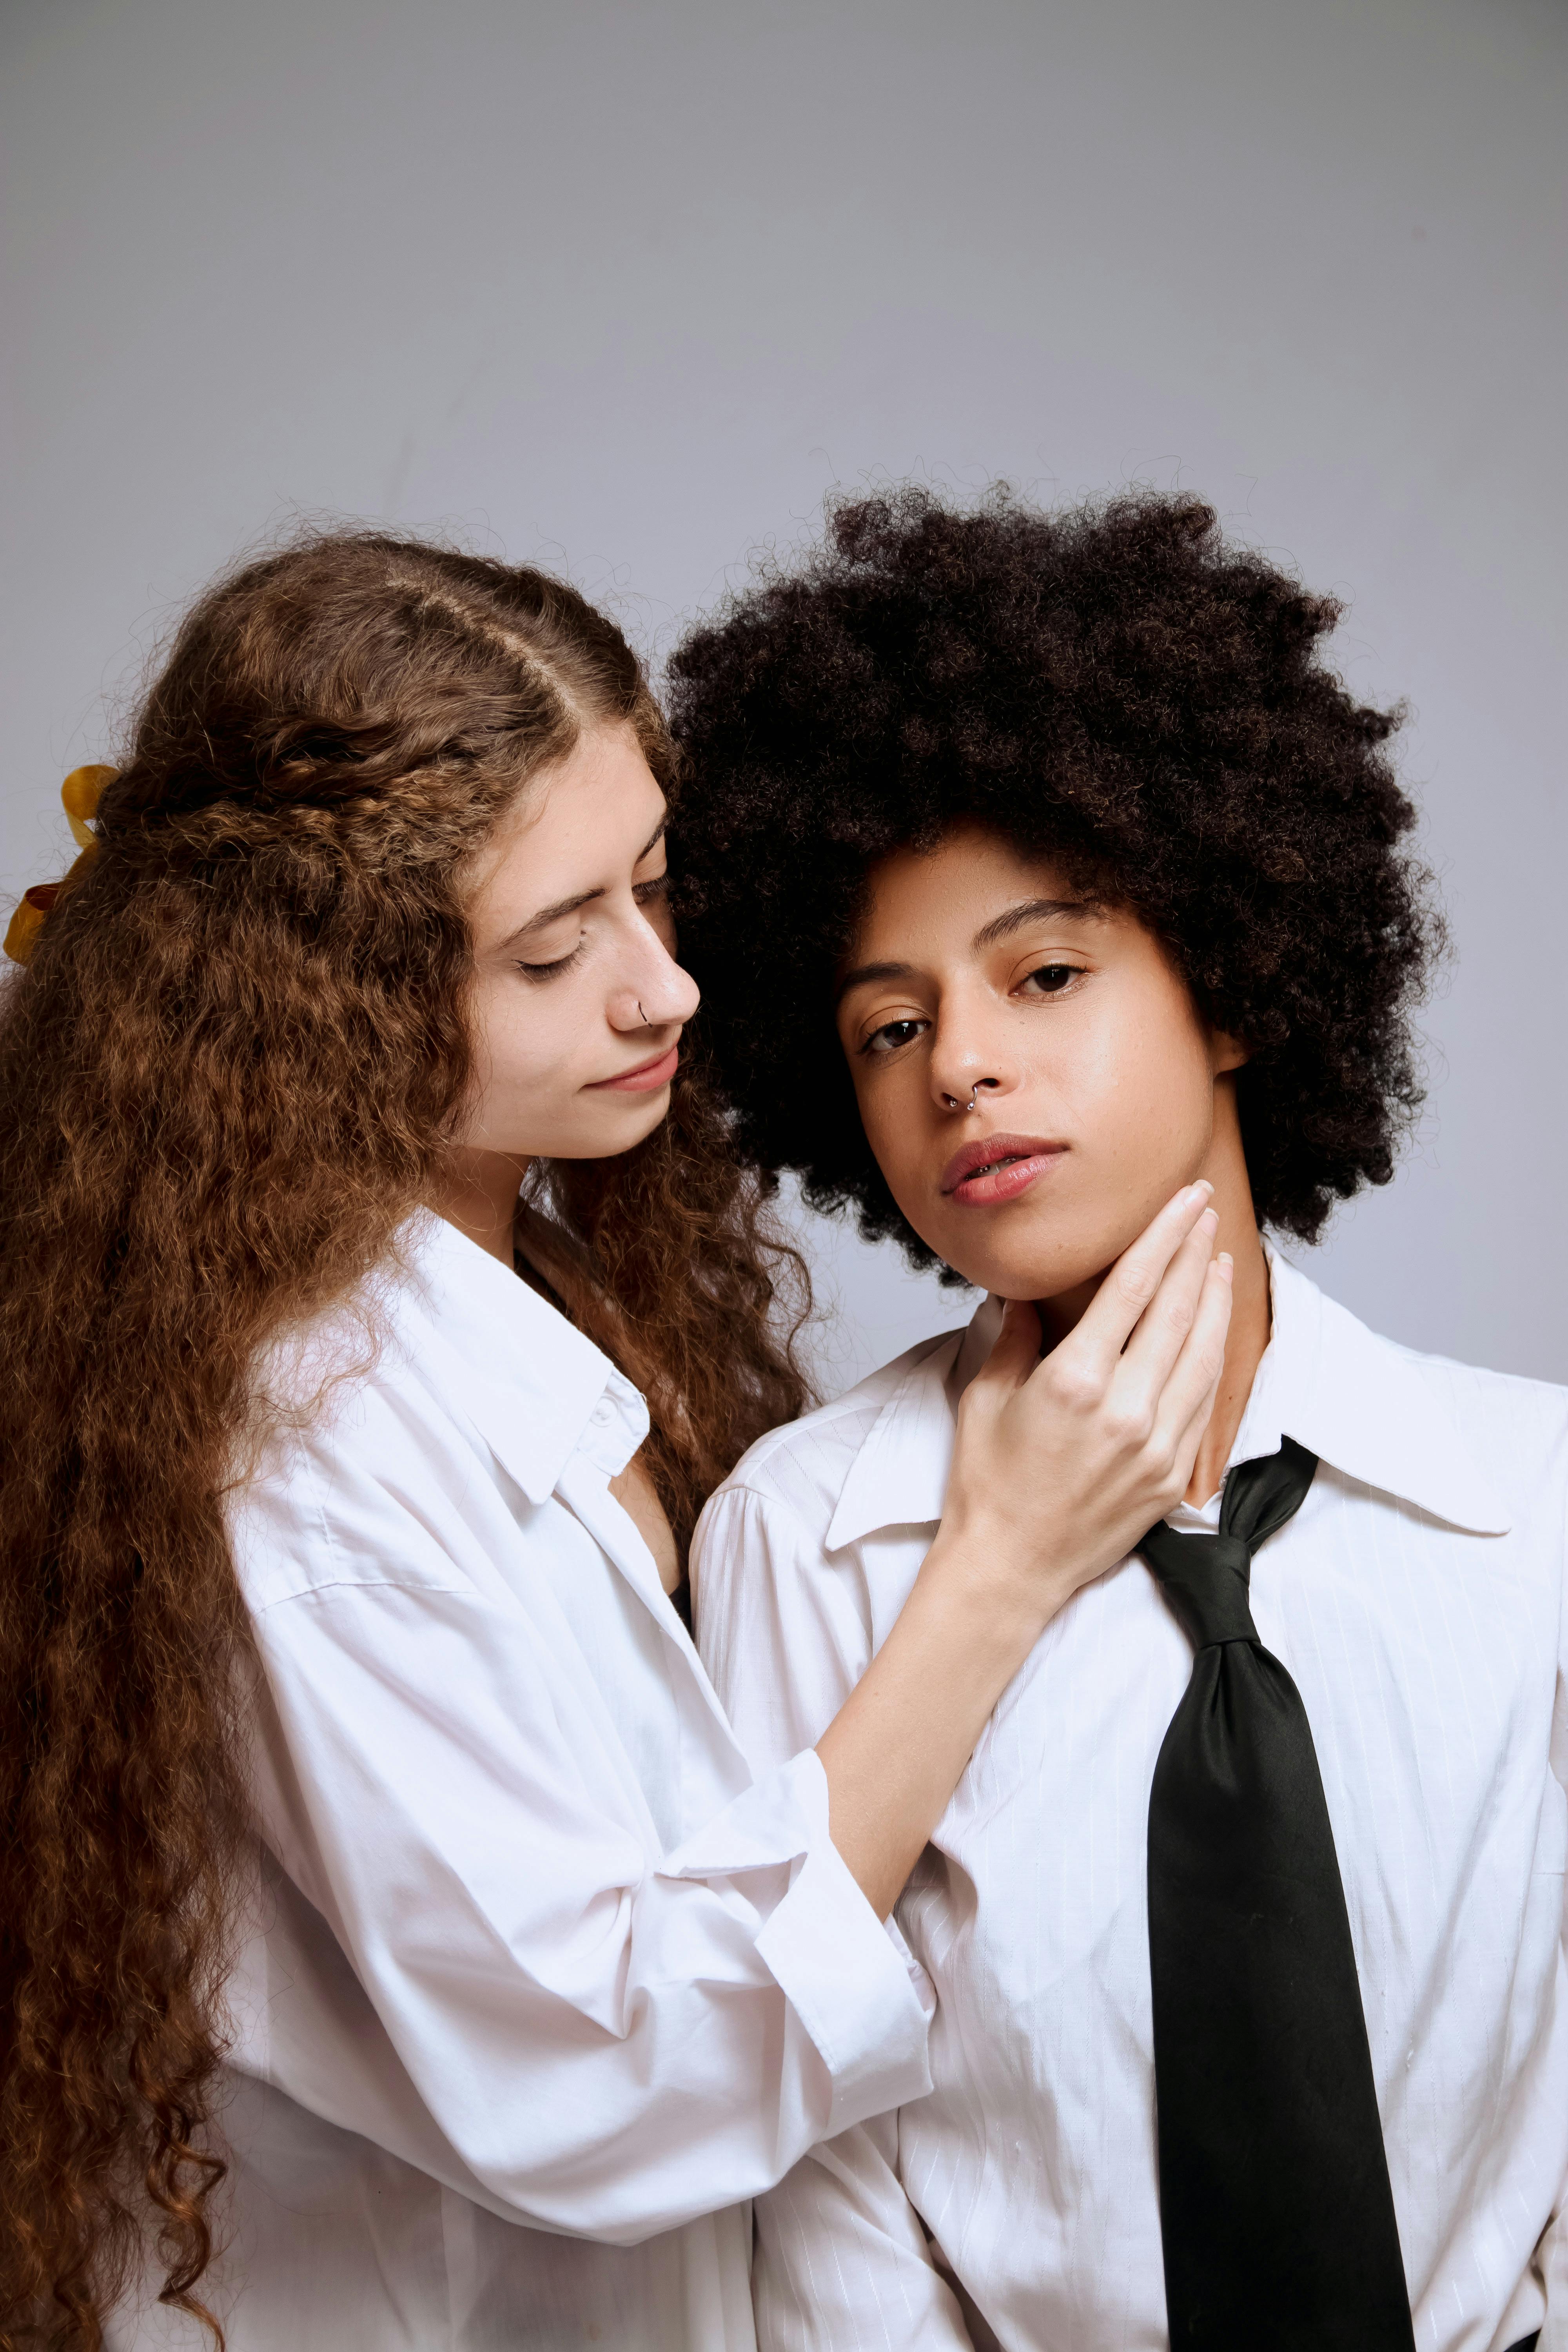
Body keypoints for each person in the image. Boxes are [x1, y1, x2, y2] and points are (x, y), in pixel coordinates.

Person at [0, 530, 1232, 2352]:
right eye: (553, 950)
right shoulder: (316, 1454)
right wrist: (999, 1568)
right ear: (321, 998)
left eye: (655, 892)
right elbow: (621, 2067)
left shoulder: (565, 1304)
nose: (662, 990)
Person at [668, 486, 1568, 2352]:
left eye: (1046, 973)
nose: (965, 1062)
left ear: (1229, 984)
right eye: (887, 1028)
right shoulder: (803, 1533)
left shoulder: (1539, 1505)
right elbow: (810, 2177)